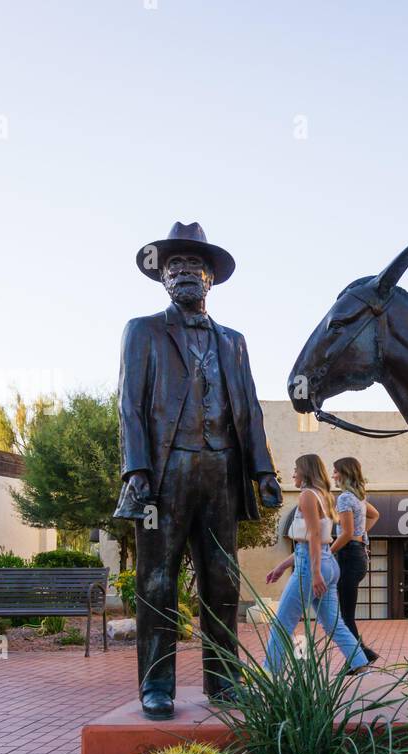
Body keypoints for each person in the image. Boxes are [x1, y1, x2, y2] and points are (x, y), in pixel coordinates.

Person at [114, 221, 281, 720]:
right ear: (164, 279)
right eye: (174, 266)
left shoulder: (234, 341)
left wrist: (263, 471)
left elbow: (249, 409)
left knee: (223, 581)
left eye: (194, 266)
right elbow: (130, 407)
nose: (184, 272)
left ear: (210, 278)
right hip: (165, 475)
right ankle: (156, 685)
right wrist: (136, 470)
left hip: (221, 473)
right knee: (158, 582)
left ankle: (224, 681)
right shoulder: (142, 330)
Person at [264, 454, 368, 675]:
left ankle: (270, 672)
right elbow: (316, 539)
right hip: (327, 563)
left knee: (282, 623)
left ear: (306, 471)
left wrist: (315, 573)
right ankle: (359, 660)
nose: (293, 473)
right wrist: (282, 566)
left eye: (296, 468)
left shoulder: (307, 496)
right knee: (333, 622)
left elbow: (312, 536)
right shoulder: (325, 496)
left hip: (312, 567)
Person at [331, 456, 381, 664]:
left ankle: (359, 658)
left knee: (345, 616)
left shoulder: (344, 498)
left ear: (343, 473)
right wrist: (362, 535)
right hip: (358, 555)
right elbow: (375, 515)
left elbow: (347, 532)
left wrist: (328, 552)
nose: (332, 475)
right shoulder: (359, 497)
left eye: (334, 471)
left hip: (348, 556)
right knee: (345, 614)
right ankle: (363, 655)